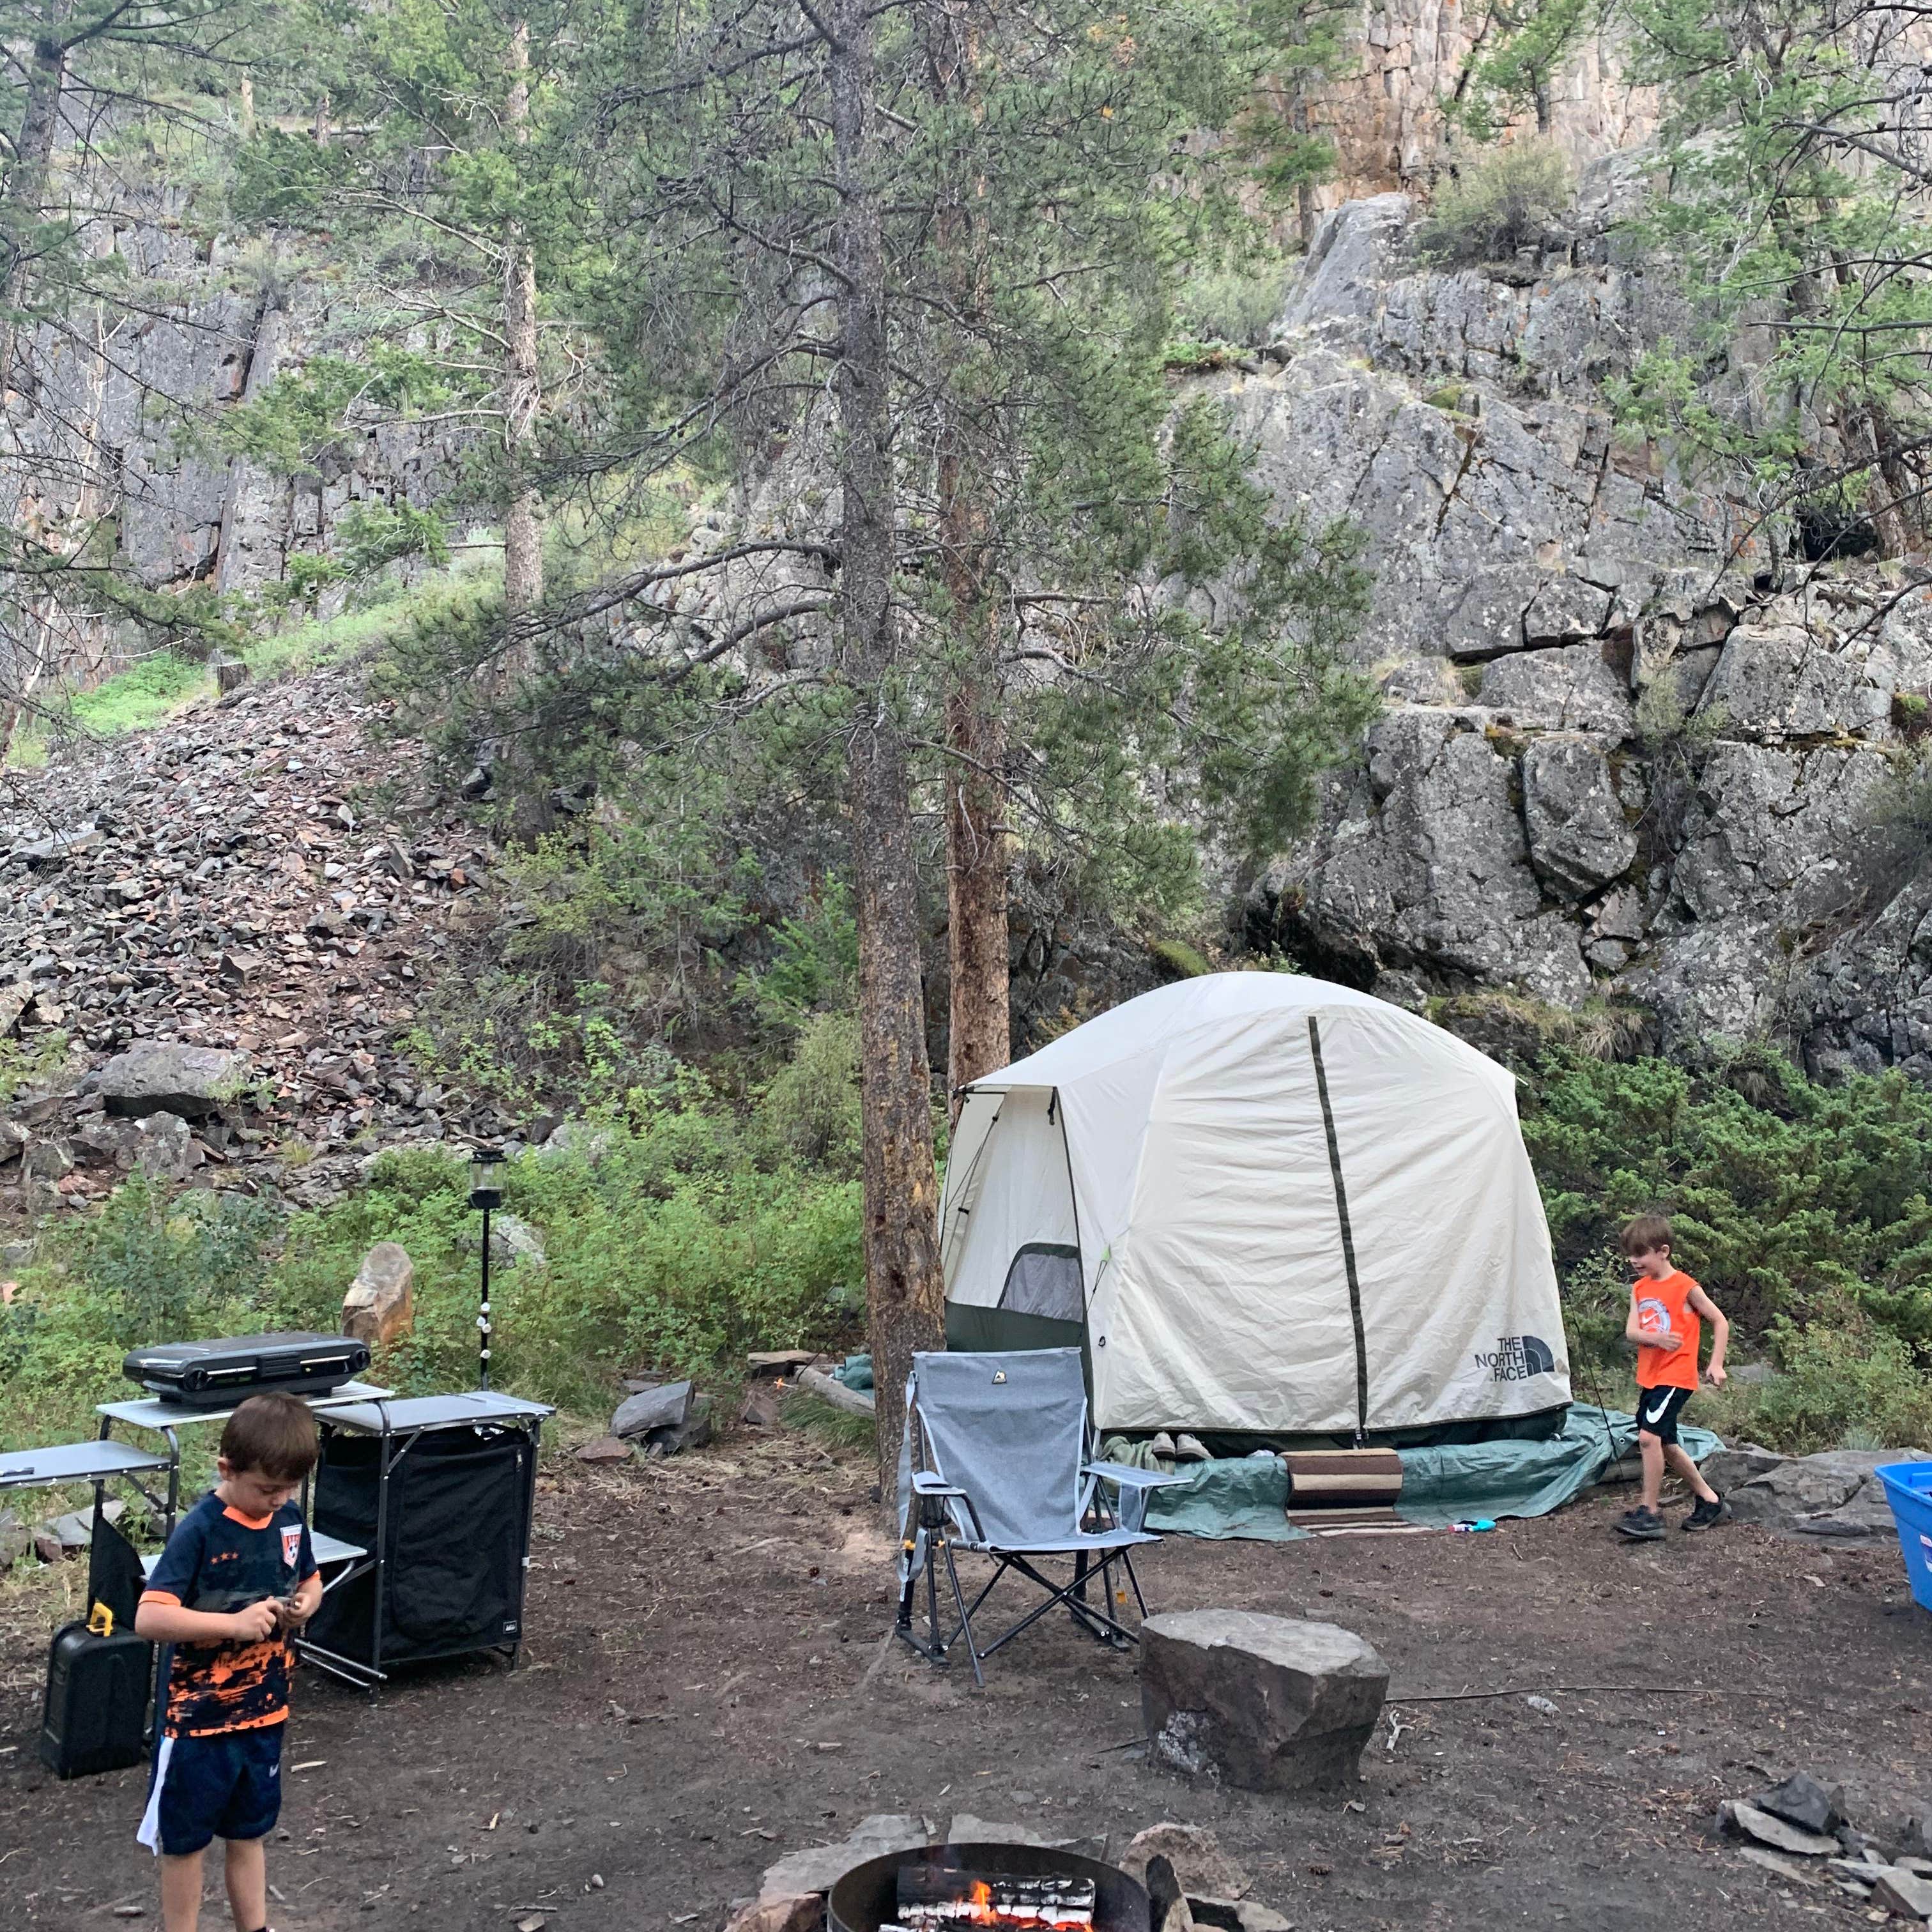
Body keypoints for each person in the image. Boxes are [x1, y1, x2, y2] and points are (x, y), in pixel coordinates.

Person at [134, 1393, 324, 1932]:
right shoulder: (200, 1529)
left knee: (250, 1834)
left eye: (289, 1488)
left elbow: (310, 1578)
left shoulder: (287, 1520)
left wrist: (308, 1602)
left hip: (264, 1719)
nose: (280, 1499)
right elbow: (150, 1617)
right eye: (267, 1489)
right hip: (197, 1726)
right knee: (187, 1843)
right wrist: (233, 1625)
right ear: (227, 1469)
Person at [1615, 1212, 1731, 1540]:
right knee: (1665, 1442)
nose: (1634, 1260)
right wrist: (1657, 1339)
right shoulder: (1639, 1289)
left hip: (1676, 1376)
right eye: (1631, 1254)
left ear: (1662, 1251)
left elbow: (1719, 1321)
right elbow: (1632, 1331)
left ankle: (1649, 1512)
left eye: (1640, 1254)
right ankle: (1710, 1501)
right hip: (1650, 1376)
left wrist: (1716, 1363)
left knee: (1648, 1438)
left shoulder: (1685, 1286)